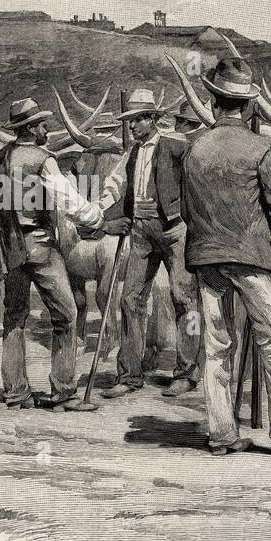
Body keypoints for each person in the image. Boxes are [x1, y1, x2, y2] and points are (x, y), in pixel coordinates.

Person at [180, 60, 271, 457]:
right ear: (247, 108)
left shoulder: (194, 149)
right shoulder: (263, 149)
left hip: (206, 258)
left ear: (214, 104)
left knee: (215, 347)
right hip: (252, 260)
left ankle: (222, 435)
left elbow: (186, 211)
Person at [0, 98, 105, 411]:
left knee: (15, 318)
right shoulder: (42, 159)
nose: (48, 128)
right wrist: (97, 218)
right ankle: (63, 392)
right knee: (67, 314)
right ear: (31, 129)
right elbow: (68, 200)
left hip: (9, 250)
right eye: (43, 124)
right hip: (39, 247)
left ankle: (16, 393)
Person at [95, 88, 201, 399]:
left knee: (185, 299)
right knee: (130, 299)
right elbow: (114, 184)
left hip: (174, 230)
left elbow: (195, 181)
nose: (132, 127)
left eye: (137, 121)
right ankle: (129, 375)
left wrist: (186, 215)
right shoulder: (130, 153)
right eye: (129, 122)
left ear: (151, 119)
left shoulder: (176, 147)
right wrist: (104, 211)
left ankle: (187, 372)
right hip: (140, 231)